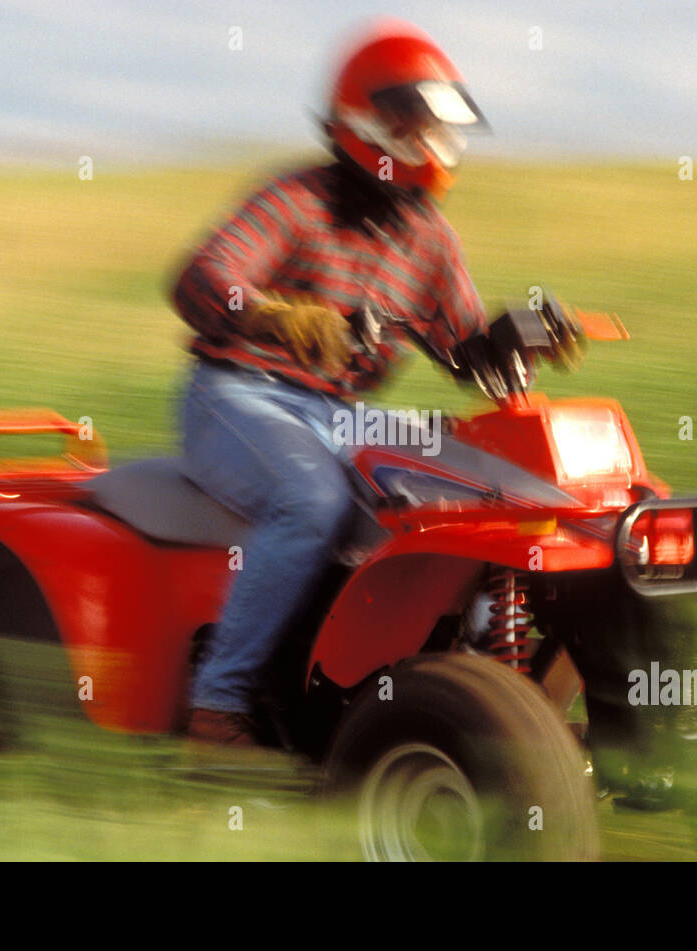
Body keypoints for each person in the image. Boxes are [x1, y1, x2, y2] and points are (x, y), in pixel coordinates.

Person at [166, 19, 491, 745]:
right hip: (235, 395)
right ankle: (219, 704)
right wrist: (286, 318)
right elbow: (198, 282)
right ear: (364, 125)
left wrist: (511, 343)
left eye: (440, 128)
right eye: (414, 125)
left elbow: (463, 346)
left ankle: (440, 682)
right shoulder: (297, 201)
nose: (432, 144)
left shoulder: (429, 236)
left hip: (339, 414)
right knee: (309, 499)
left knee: (469, 492)